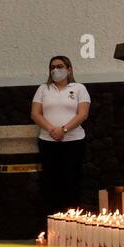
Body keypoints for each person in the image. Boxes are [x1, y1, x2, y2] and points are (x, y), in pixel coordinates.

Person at [31, 55, 91, 222]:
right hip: (48, 142)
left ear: (69, 69)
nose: (56, 70)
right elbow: (35, 113)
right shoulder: (43, 89)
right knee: (51, 182)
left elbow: (83, 113)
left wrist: (64, 130)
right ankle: (53, 221)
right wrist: (52, 130)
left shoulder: (79, 88)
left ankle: (73, 221)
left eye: (60, 66)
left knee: (72, 181)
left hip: (74, 142)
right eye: (52, 67)